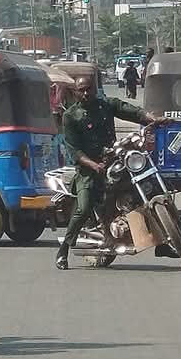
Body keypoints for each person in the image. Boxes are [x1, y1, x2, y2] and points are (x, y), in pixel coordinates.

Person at [56, 73, 167, 269]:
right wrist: (94, 165)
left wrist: (153, 119)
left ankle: (163, 244)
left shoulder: (106, 105)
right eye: (81, 90)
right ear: (76, 92)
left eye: (89, 89)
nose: (86, 93)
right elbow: (75, 150)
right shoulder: (71, 116)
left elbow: (132, 111)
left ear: (95, 89)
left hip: (114, 160)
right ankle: (64, 249)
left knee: (148, 189)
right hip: (89, 169)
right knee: (84, 207)